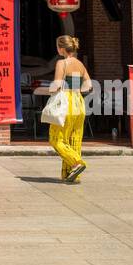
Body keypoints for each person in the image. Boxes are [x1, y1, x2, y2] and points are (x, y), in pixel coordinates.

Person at [44, 35, 92, 183]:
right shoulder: (80, 64)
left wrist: (49, 90)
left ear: (62, 48)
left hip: (66, 104)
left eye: (57, 46)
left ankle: (77, 163)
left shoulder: (62, 63)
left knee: (56, 139)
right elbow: (88, 85)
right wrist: (74, 90)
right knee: (74, 140)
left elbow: (57, 84)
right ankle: (71, 175)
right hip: (79, 102)